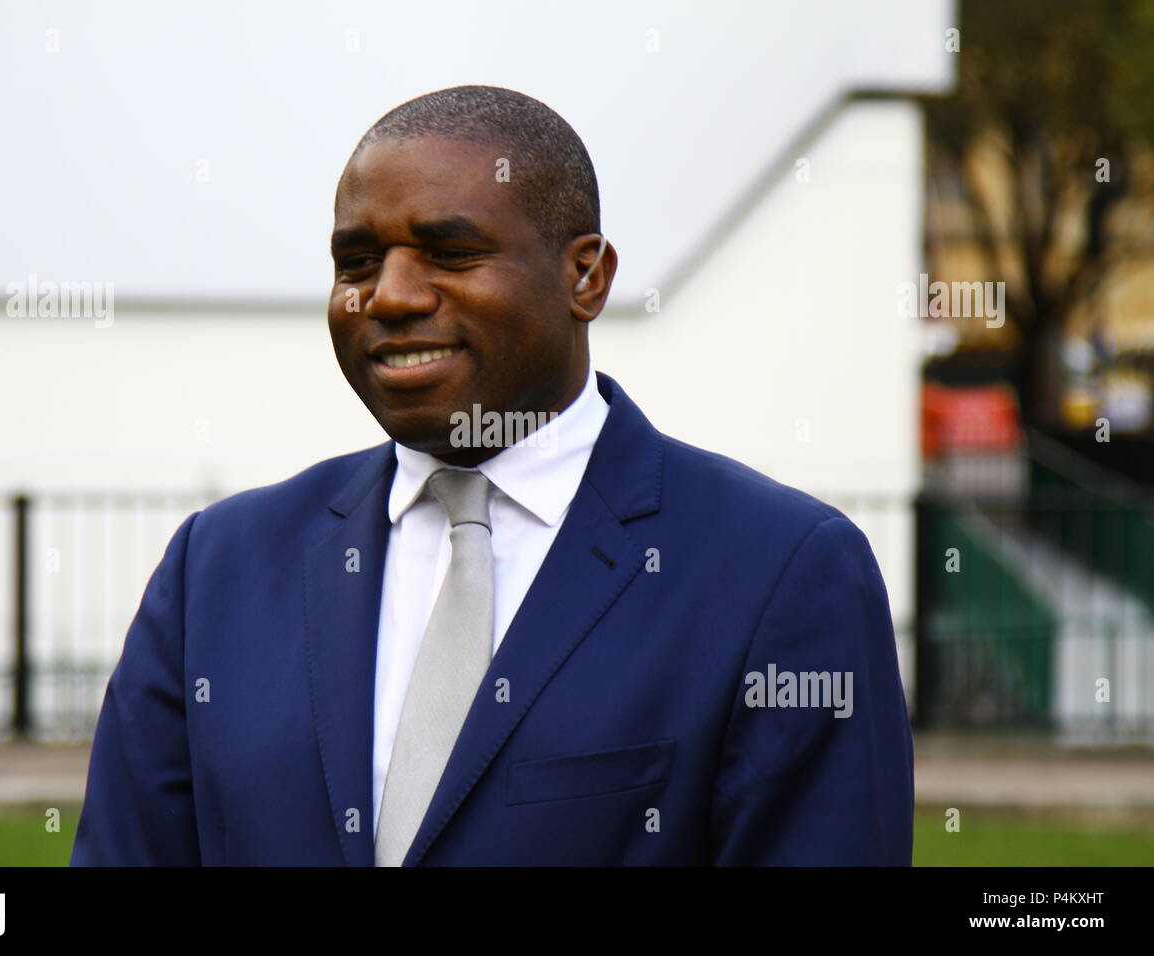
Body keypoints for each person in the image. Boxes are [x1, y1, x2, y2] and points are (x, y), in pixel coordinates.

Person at [70, 84, 913, 866]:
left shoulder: (779, 571)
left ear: (586, 276)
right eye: (357, 263)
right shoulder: (218, 568)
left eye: (449, 252)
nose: (389, 297)